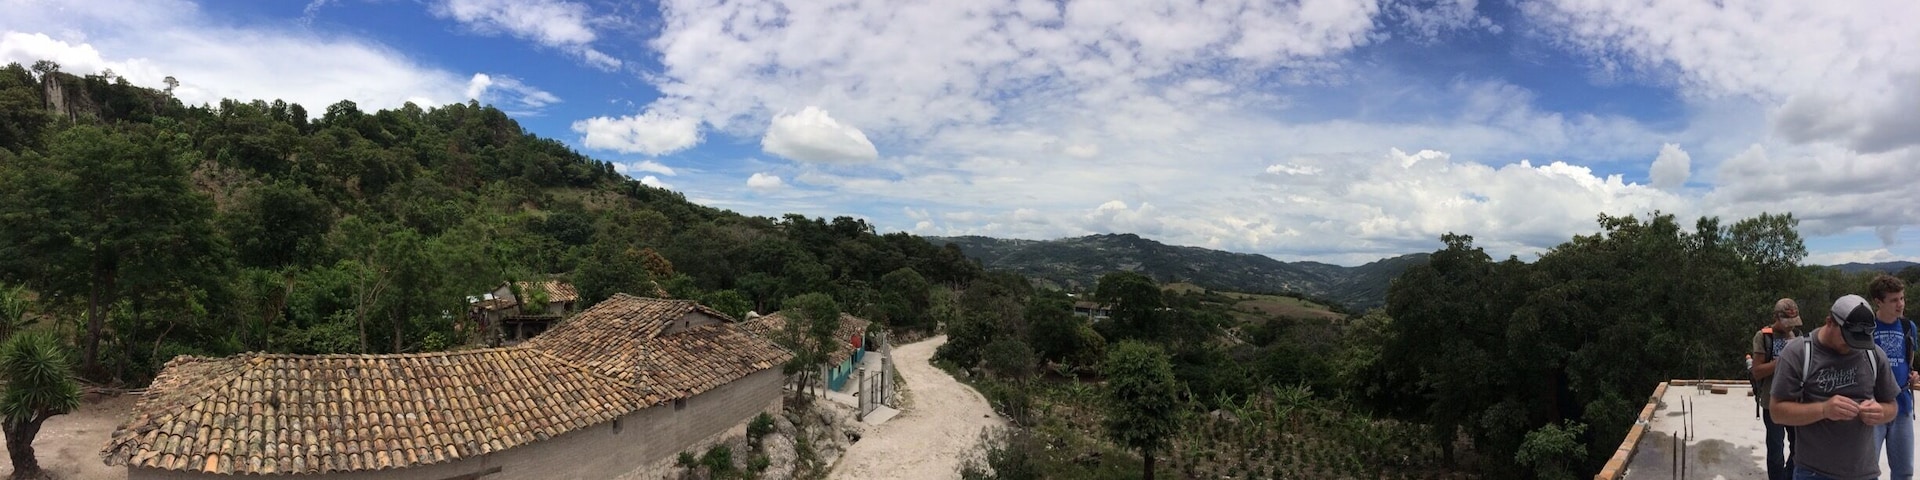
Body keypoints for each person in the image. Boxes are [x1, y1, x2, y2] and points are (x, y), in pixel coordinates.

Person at [1771, 294, 1901, 480]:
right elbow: (1777, 412)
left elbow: (1892, 407)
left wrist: (1880, 411)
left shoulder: (1874, 355)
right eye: (1848, 337)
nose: (1853, 345)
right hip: (1814, 473)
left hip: (1865, 473)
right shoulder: (1798, 353)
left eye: (1859, 340)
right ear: (1830, 321)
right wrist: (1823, 409)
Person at [1871, 275, 1919, 480]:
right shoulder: (1866, 329)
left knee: (1904, 471)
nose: (1900, 304)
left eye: (1902, 298)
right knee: (1866, 469)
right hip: (1872, 405)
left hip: (1902, 405)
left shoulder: (1909, 327)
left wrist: (1912, 374)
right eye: (1894, 300)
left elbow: (1908, 360)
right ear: (1878, 302)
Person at [1754, 298, 1805, 480]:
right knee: (1775, 450)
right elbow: (1757, 371)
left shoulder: (1798, 335)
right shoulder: (1764, 337)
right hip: (1771, 401)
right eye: (1787, 323)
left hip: (1795, 401)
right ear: (1776, 317)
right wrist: (1781, 361)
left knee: (1798, 447)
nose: (1790, 327)